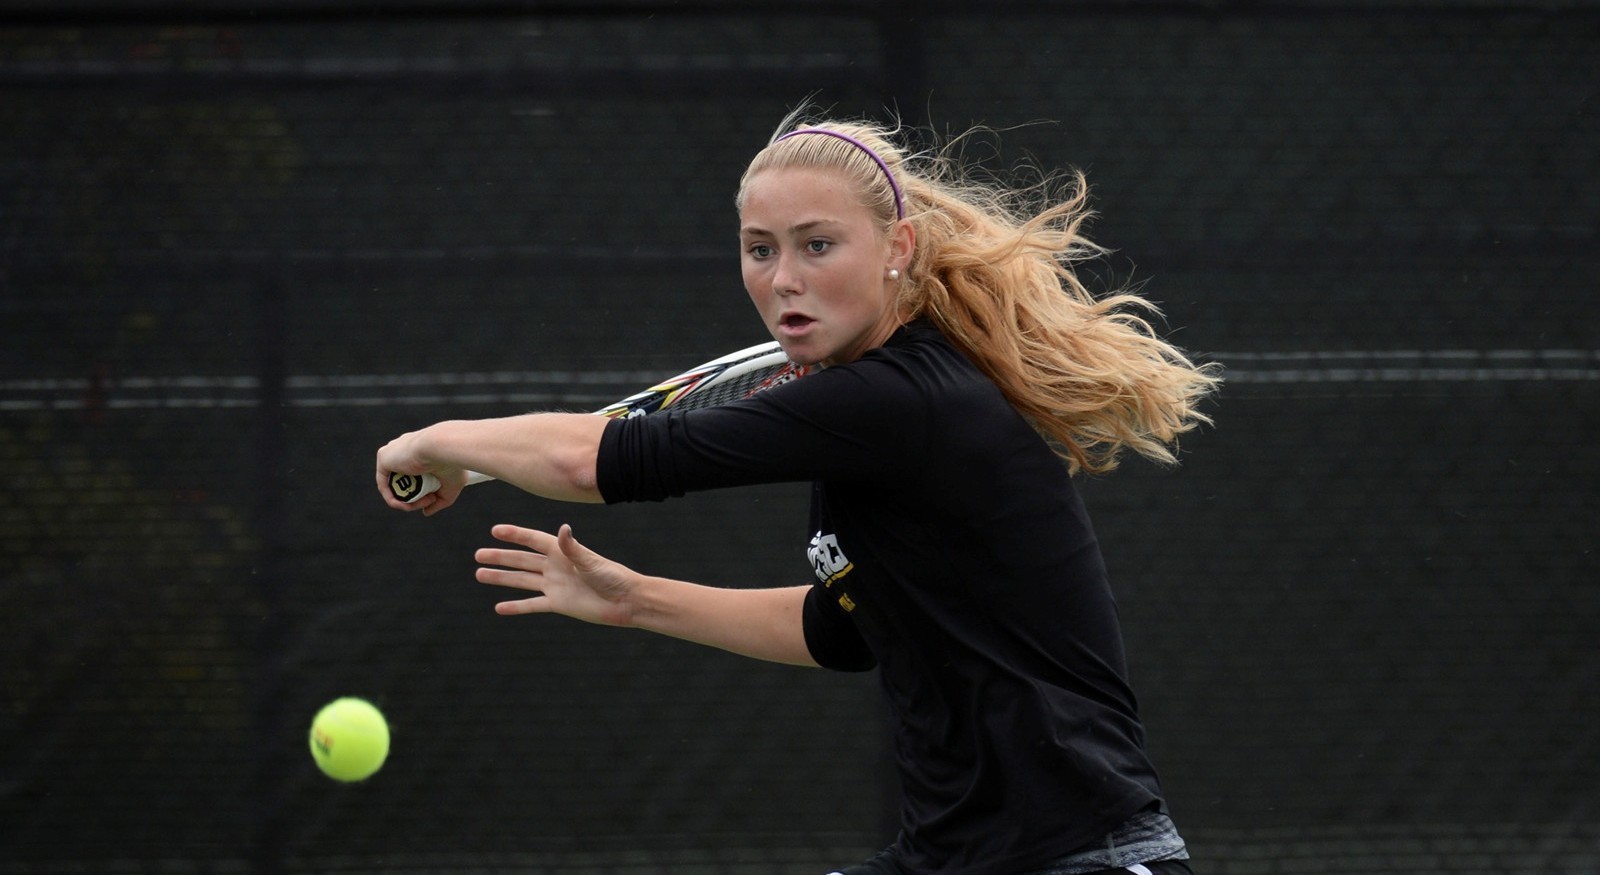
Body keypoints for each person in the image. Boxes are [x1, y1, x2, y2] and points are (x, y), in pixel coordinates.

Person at [377, 110, 1219, 875]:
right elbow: (847, 627)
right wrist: (631, 597)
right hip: (954, 855)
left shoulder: (893, 400)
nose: (783, 278)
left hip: (1081, 856)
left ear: (899, 248)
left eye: (818, 245)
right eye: (760, 248)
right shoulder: (874, 403)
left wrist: (436, 442)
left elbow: (597, 464)